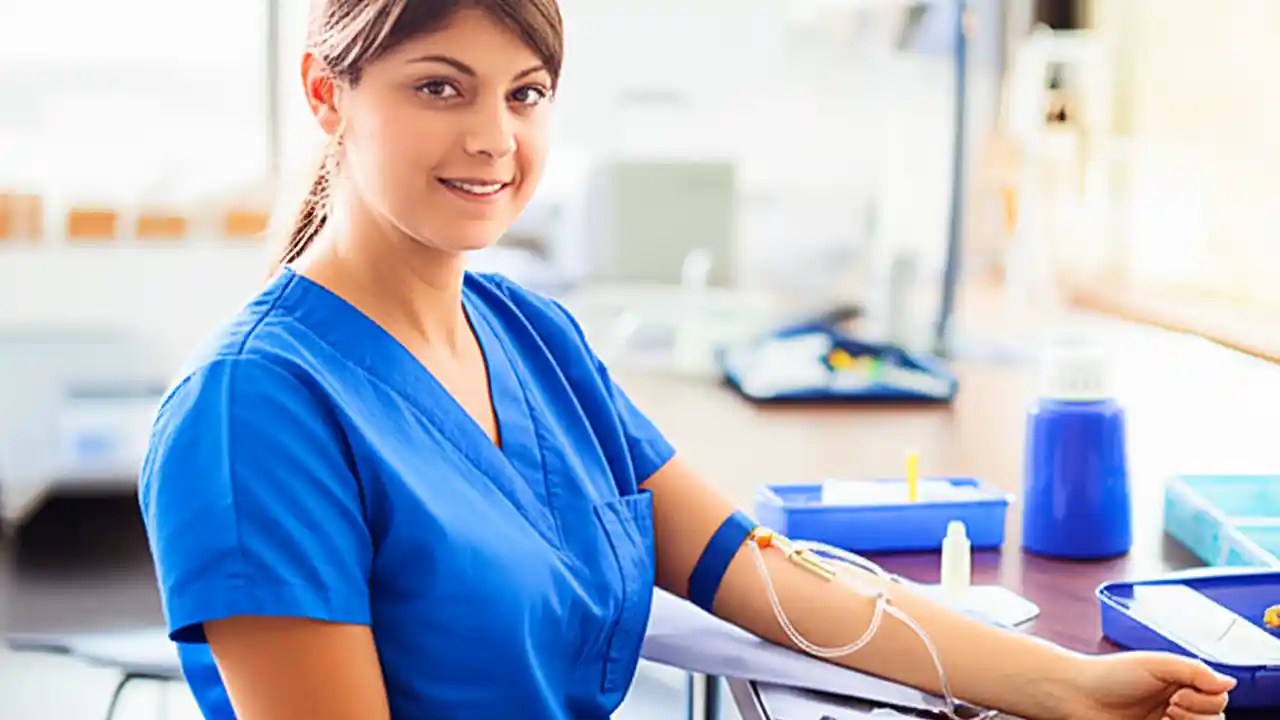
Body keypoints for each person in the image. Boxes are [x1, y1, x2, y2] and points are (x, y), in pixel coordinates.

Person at [137, 1, 1236, 719]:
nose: (492, 138)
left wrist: (1073, 688)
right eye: (439, 87)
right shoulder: (254, 413)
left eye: (525, 94)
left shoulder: (533, 339)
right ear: (329, 96)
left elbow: (765, 580)